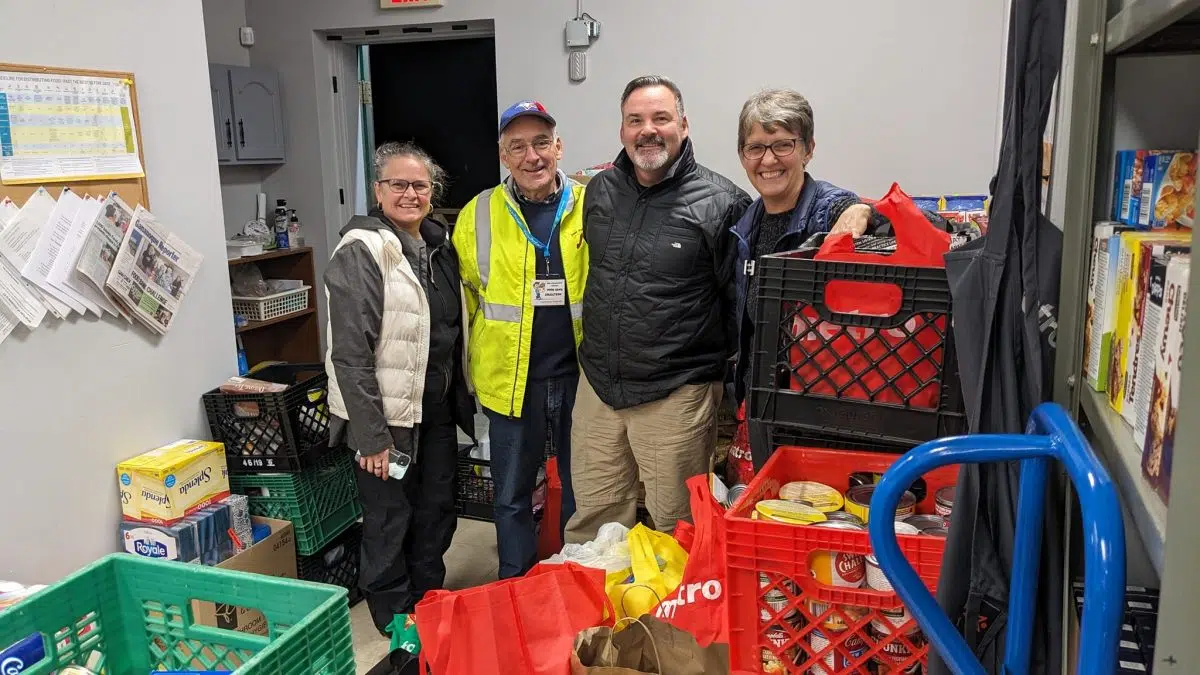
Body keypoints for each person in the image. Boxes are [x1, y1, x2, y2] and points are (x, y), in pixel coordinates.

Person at [564, 75, 751, 544]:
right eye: (635, 120)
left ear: (683, 125)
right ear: (623, 130)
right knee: (595, 522)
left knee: (677, 529)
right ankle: (603, 617)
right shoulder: (600, 191)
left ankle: (672, 621)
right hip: (600, 387)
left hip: (675, 393)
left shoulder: (723, 202)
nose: (648, 130)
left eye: (661, 118)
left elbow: (736, 306)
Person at [730, 88, 948, 466]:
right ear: (743, 155)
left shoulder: (830, 210)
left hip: (829, 408)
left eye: (783, 145)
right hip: (767, 405)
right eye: (756, 148)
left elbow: (926, 229)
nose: (768, 160)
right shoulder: (744, 227)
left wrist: (865, 210)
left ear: (808, 149)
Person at [324, 141, 475, 634]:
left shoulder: (439, 246)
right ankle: (396, 625)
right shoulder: (362, 250)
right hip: (385, 422)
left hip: (434, 412)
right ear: (378, 190)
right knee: (389, 522)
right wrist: (370, 437)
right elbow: (350, 352)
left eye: (420, 185)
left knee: (436, 510)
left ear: (433, 193)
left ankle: (428, 603)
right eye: (398, 184)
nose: (410, 193)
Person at [453, 100, 587, 578]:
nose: (532, 156)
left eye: (541, 143)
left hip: (581, 379)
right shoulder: (478, 213)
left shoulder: (591, 203)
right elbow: (465, 301)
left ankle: (576, 582)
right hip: (511, 381)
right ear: (503, 156)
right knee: (509, 495)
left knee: (582, 492)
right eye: (518, 147)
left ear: (558, 147)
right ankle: (515, 582)